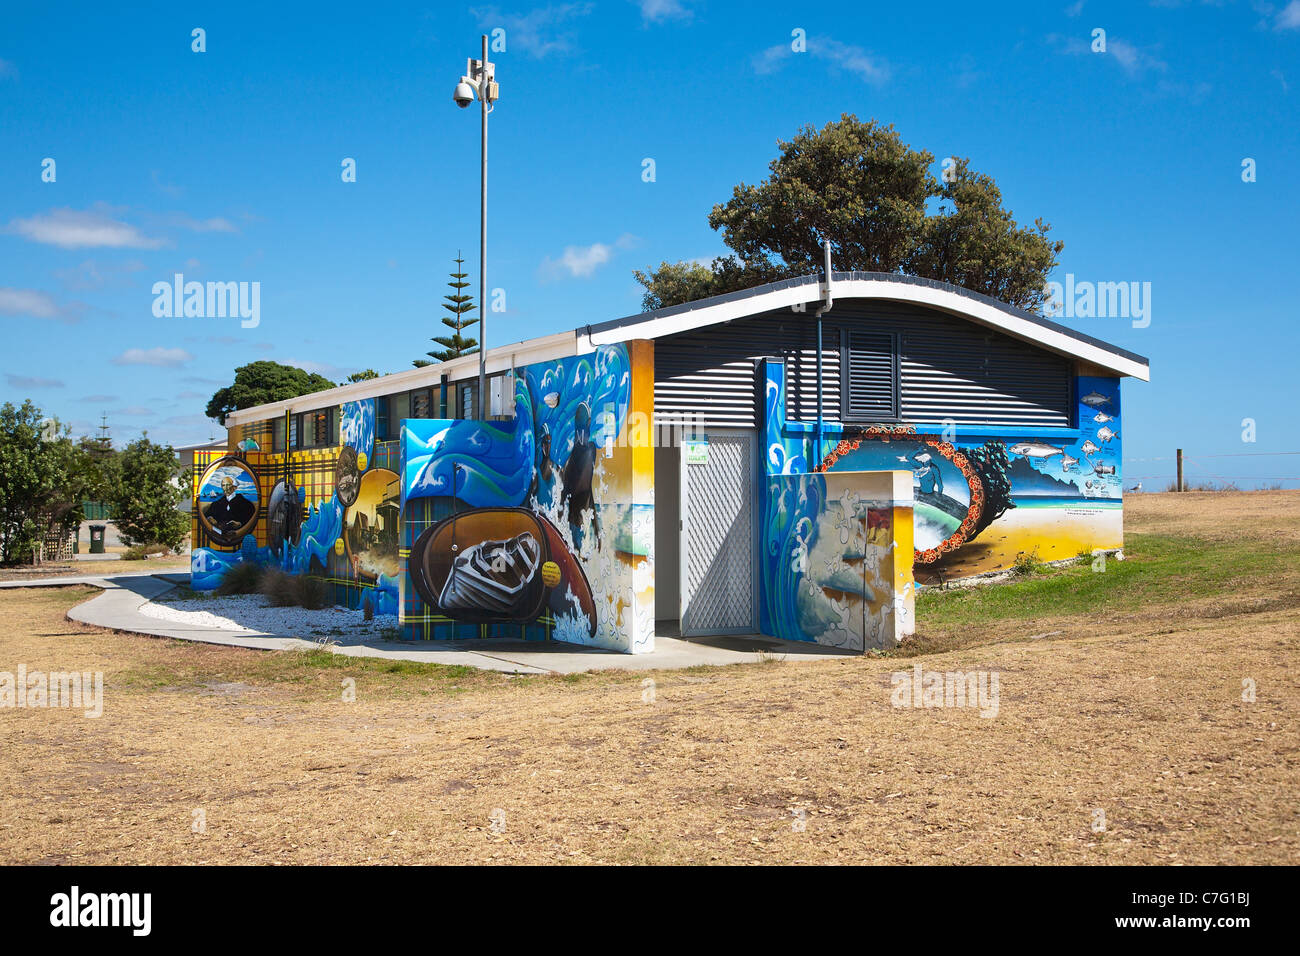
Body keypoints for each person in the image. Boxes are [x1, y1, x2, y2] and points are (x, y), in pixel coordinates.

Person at [560, 403, 601, 551]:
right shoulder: (586, 450)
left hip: (577, 513)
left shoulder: (582, 450)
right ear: (588, 422)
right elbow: (583, 487)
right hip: (577, 514)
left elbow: (579, 487)